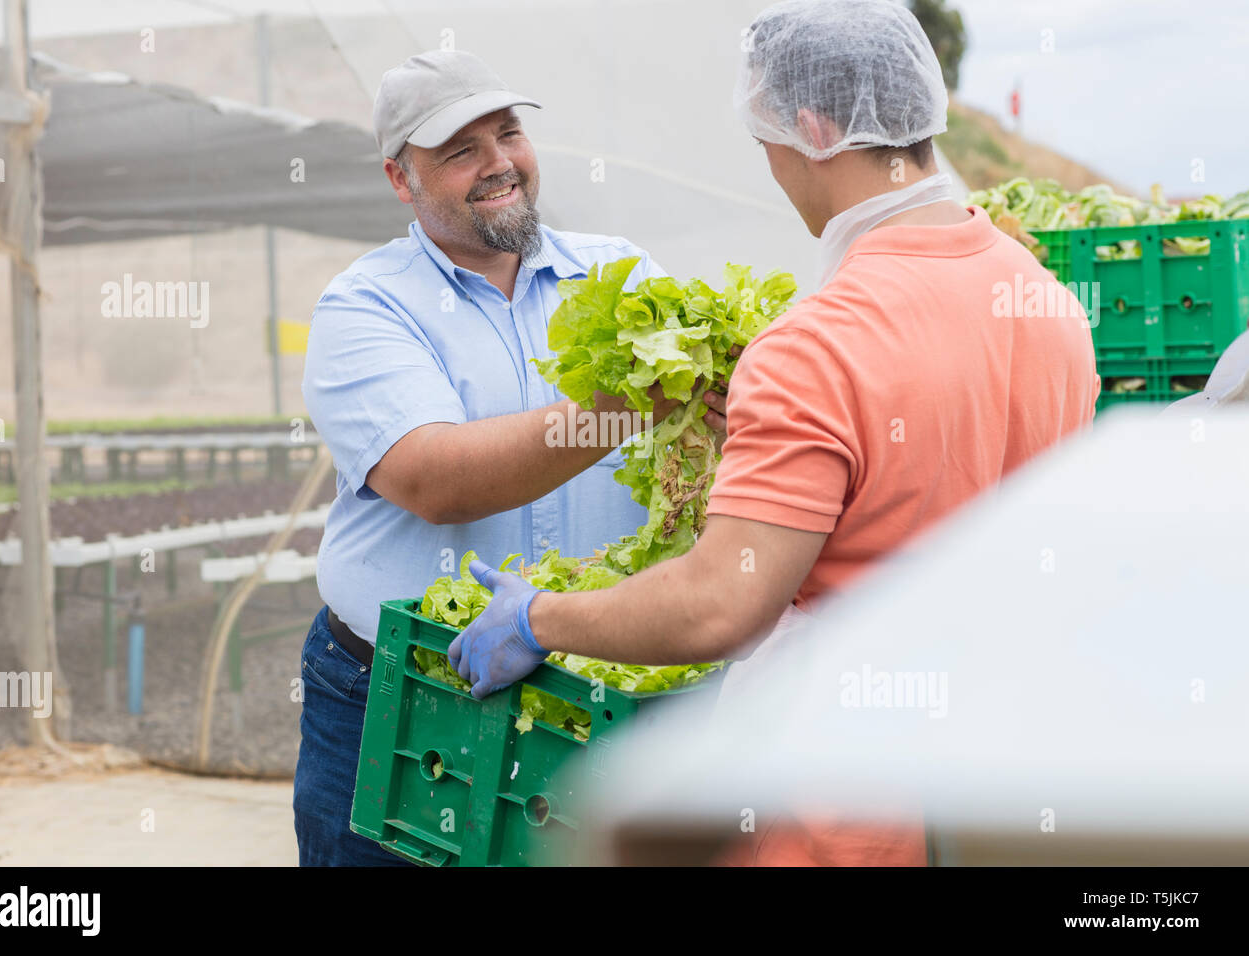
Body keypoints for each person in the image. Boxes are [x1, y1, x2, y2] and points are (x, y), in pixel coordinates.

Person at [450, 0, 1102, 865]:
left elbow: (719, 605)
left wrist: (537, 617)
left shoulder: (814, 346)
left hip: (850, 818)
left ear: (812, 125)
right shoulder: (1044, 298)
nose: (773, 171)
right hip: (996, 790)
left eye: (767, 144)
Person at [293, 49, 724, 866]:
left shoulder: (621, 273)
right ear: (400, 177)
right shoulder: (366, 304)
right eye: (460, 150)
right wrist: (637, 402)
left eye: (508, 133)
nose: (499, 164)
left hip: (585, 695)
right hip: (403, 699)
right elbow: (436, 478)